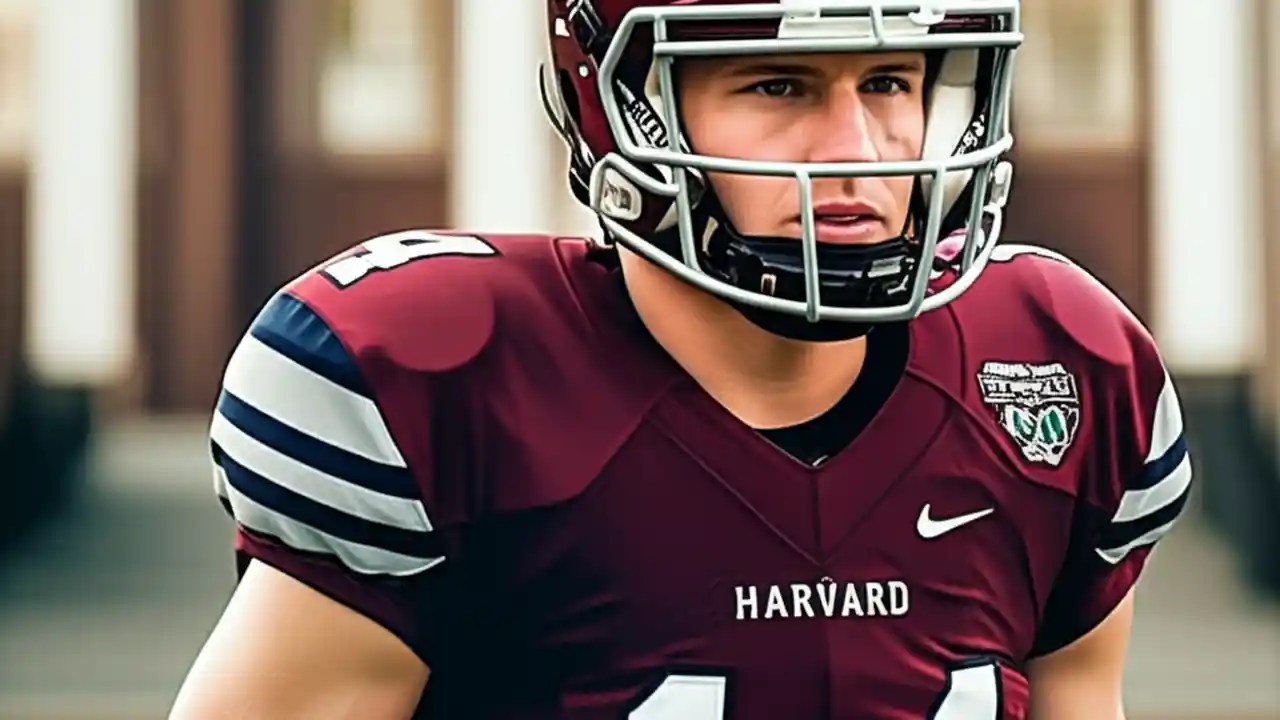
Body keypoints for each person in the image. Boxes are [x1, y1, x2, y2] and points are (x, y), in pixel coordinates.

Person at [170, 1, 1192, 717]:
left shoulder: (1054, 370)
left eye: (888, 79)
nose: (857, 148)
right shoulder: (444, 385)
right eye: (778, 82)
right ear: (618, 107)